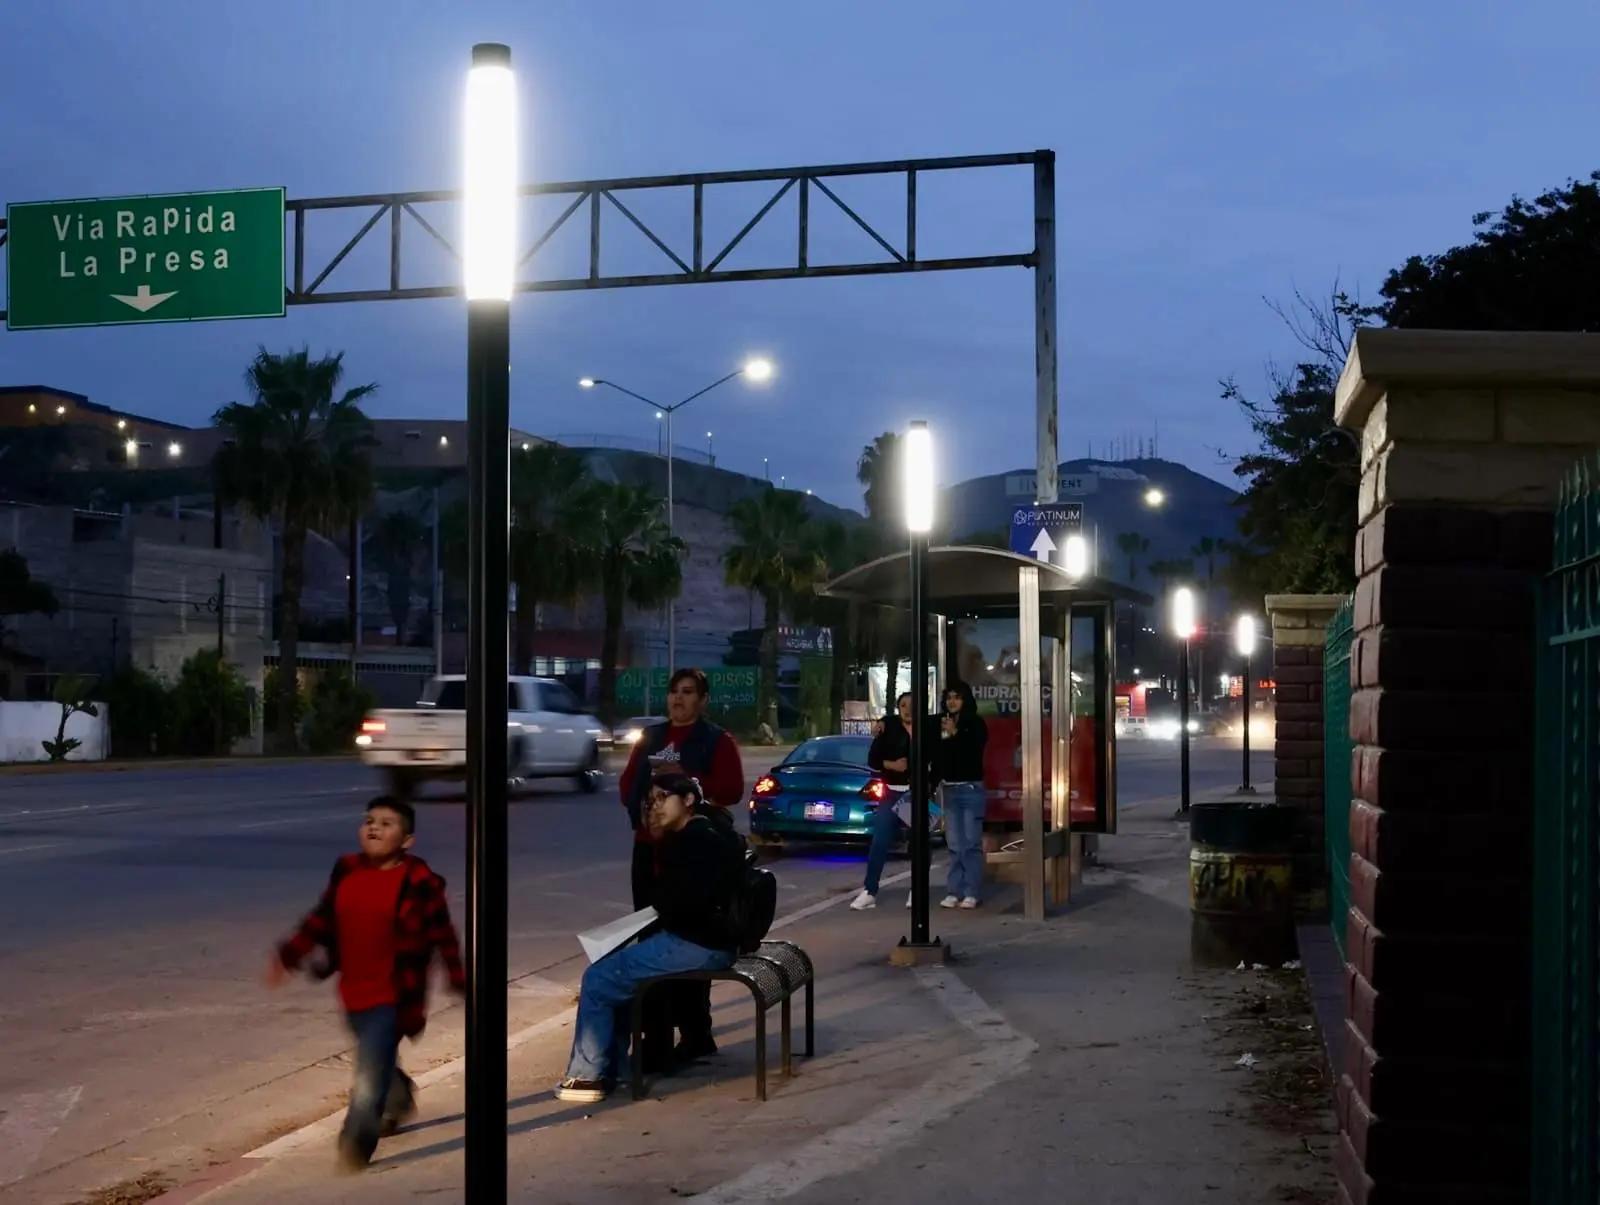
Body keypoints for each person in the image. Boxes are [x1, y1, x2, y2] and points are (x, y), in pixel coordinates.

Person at [267, 797, 464, 1171]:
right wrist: (290, 955)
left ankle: (356, 1142)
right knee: (376, 1058)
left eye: (387, 823)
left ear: (407, 840)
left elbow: (443, 935)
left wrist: (458, 978)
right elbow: (321, 919)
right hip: (354, 989)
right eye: (369, 820)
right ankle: (399, 1095)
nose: (374, 827)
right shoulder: (347, 870)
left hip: (395, 994)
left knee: (368, 1074)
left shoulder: (418, 882)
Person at [557, 772, 743, 1103]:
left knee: (598, 979)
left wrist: (653, 916)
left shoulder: (689, 841)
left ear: (687, 800)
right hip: (714, 939)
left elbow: (680, 903)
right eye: (650, 801)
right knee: (618, 977)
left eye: (662, 798)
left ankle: (588, 1077)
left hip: (697, 942)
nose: (655, 807)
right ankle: (610, 1068)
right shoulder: (714, 830)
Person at [617, 667, 745, 1069]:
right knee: (650, 941)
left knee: (688, 941)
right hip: (648, 854)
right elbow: (626, 786)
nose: (678, 699)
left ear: (702, 700)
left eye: (688, 692)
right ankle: (654, 1042)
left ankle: (694, 1034)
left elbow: (732, 789)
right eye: (673, 691)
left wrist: (686, 788)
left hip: (694, 856)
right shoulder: (650, 738)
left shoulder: (716, 740)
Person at [850, 692, 928, 911]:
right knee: (880, 841)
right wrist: (891, 765)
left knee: (920, 844)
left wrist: (928, 782)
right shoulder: (889, 726)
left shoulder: (927, 728)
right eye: (903, 705)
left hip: (915, 794)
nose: (907, 709)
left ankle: (917, 890)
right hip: (891, 792)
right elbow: (873, 760)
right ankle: (869, 891)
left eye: (912, 705)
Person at [937, 680, 989, 909]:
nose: (952, 701)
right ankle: (953, 890)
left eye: (956, 697)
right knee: (955, 844)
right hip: (949, 789)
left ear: (965, 699)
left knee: (970, 844)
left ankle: (971, 891)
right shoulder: (942, 724)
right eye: (949, 697)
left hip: (970, 790)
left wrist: (954, 733)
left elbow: (971, 751)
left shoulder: (975, 724)